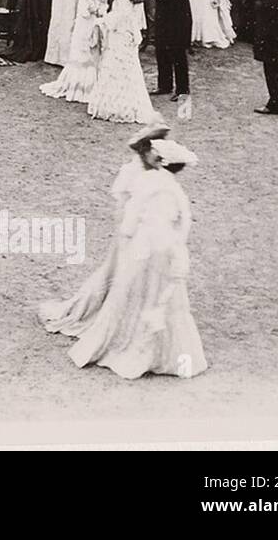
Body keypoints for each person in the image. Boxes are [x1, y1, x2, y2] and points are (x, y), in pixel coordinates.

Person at [40, 134, 207, 380]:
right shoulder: (176, 191)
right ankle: (165, 352)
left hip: (144, 247)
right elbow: (183, 224)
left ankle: (129, 344)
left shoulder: (147, 183)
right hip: (168, 250)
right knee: (163, 299)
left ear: (161, 161)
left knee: (133, 293)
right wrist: (177, 249)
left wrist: (130, 237)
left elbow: (131, 219)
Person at [39, 122, 169, 331]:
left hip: (148, 234)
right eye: (154, 150)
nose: (158, 156)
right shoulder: (132, 171)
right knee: (121, 273)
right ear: (145, 151)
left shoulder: (158, 172)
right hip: (132, 231)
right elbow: (124, 207)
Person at [88, 0, 161, 125]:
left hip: (119, 31)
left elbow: (120, 14)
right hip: (129, 31)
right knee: (129, 67)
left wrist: (101, 21)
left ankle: (117, 106)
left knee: (116, 65)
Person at [41, 0, 114, 103]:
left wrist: (105, 9)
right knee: (85, 48)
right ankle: (82, 86)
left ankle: (97, 83)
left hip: (101, 14)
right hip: (88, 16)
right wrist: (96, 10)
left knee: (99, 49)